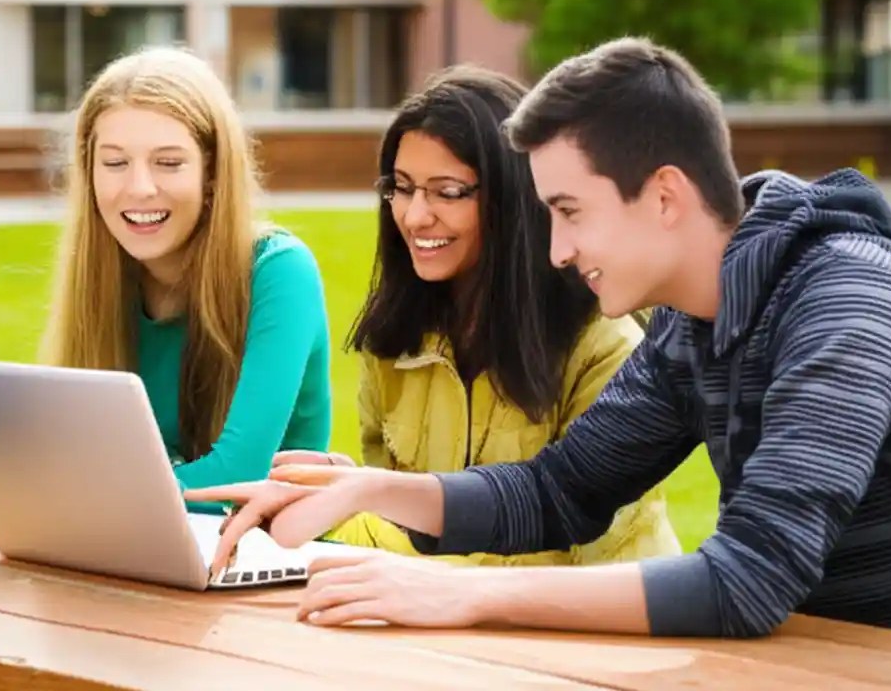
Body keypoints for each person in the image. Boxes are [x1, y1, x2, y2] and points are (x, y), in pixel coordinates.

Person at [188, 37, 891, 637]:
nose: (555, 250)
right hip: (815, 656)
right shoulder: (695, 321)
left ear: (664, 197)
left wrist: (464, 596)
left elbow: (751, 576)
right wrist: (370, 489)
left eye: (569, 211)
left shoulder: (845, 297)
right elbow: (558, 490)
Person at [270, 66, 680, 566]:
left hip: (589, 634)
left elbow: (582, 558)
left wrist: (351, 514)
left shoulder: (604, 347)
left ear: (512, 198)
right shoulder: (395, 342)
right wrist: (343, 486)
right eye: (401, 187)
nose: (416, 216)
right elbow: (399, 527)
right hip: (435, 626)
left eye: (447, 192)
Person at [0, 46, 332, 510]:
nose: (140, 187)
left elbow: (235, 478)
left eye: (168, 163)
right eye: (115, 163)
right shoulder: (108, 278)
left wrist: (48, 492)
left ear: (212, 174)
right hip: (143, 557)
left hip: (271, 564)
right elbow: (7, 453)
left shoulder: (280, 271)